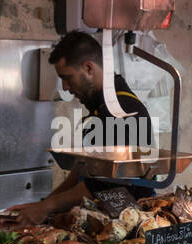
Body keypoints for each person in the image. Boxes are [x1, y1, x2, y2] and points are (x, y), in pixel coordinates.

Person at [12, 31, 151, 224]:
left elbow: (104, 186)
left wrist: (47, 207)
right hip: (104, 218)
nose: (65, 87)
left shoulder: (122, 110)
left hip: (130, 223)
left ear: (88, 68)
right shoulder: (101, 107)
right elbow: (82, 172)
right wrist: (42, 205)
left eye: (68, 77)